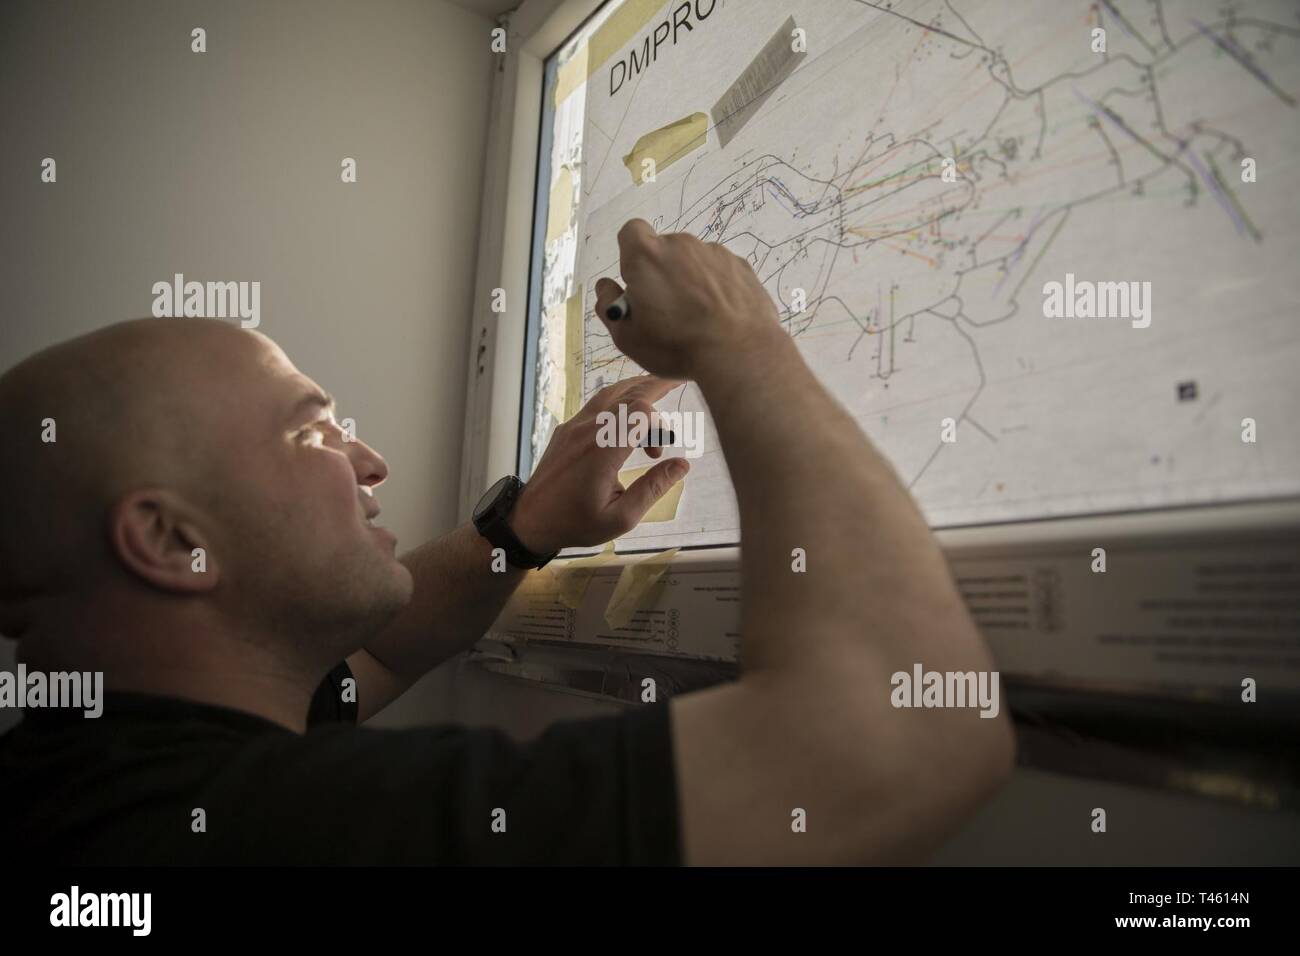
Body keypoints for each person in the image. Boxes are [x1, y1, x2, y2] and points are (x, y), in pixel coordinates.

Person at [0, 219, 1013, 865]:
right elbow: (906, 737)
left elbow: (378, 655)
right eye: (311, 429)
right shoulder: (237, 826)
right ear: (173, 539)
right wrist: (740, 342)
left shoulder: (97, 758)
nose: (368, 458)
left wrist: (520, 531)